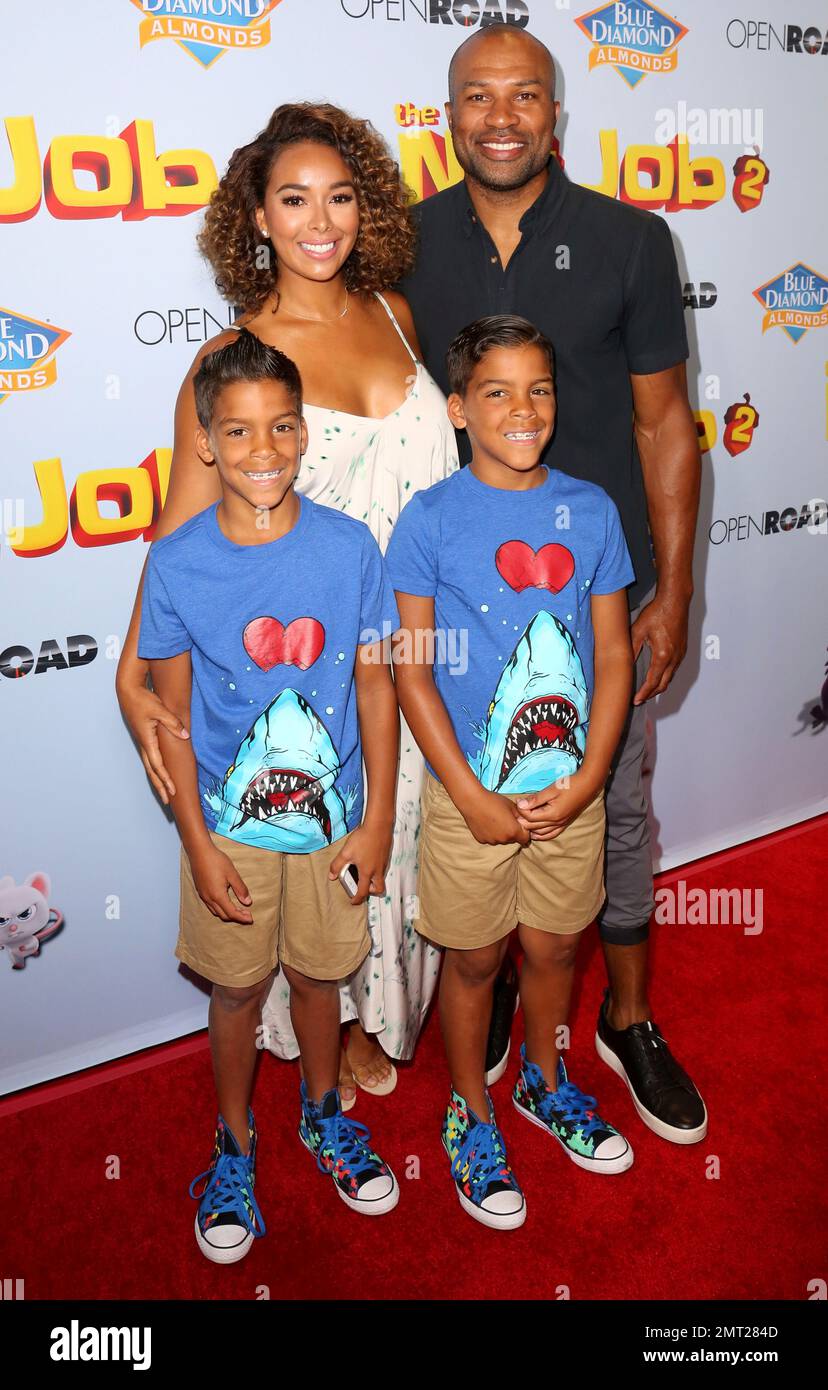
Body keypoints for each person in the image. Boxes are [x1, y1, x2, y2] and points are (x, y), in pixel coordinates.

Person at [397, 26, 706, 1141]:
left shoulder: (630, 238)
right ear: (449, 116)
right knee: (472, 816)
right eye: (476, 97)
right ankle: (488, 1023)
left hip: (605, 600)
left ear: (556, 113)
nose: (501, 117)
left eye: (524, 95)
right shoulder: (403, 241)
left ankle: (623, 1021)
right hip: (469, 605)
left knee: (613, 815)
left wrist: (676, 590)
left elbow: (666, 425)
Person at [117, 103, 458, 1107]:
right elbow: (181, 533)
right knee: (328, 841)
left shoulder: (397, 311)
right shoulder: (235, 363)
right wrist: (134, 666)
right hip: (318, 667)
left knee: (401, 843)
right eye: (294, 199)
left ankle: (382, 1011)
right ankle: (336, 1024)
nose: (322, 221)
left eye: (341, 196)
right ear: (256, 218)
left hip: (426, 646)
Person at [136, 330, 402, 1263]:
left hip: (334, 825)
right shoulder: (177, 563)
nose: (262, 451)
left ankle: (323, 1114)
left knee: (322, 977)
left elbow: (377, 682)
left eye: (281, 427)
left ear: (304, 434)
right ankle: (235, 1142)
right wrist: (201, 848)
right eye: (239, 432)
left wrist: (375, 815)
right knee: (240, 988)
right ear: (206, 439)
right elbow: (169, 720)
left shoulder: (350, 547)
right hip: (229, 828)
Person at [387, 315, 636, 1229]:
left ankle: (543, 1079)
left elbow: (613, 656)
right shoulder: (429, 520)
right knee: (476, 957)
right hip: (471, 801)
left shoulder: (594, 510)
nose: (522, 409)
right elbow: (410, 669)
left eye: (539, 389)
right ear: (458, 408)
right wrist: (470, 794)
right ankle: (472, 1108)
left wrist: (592, 774)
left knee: (558, 945)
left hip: (574, 790)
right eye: (496, 392)